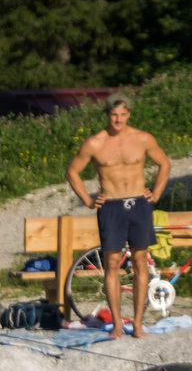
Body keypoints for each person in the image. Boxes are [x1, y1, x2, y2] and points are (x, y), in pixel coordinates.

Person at [66, 94, 172, 339]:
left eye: (123, 115)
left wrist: (155, 193)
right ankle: (116, 324)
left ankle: (137, 323)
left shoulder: (143, 138)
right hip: (111, 206)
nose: (118, 119)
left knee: (139, 261)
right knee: (111, 264)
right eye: (114, 115)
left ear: (129, 115)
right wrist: (89, 200)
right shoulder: (95, 143)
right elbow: (72, 172)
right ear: (107, 114)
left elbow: (164, 164)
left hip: (139, 204)